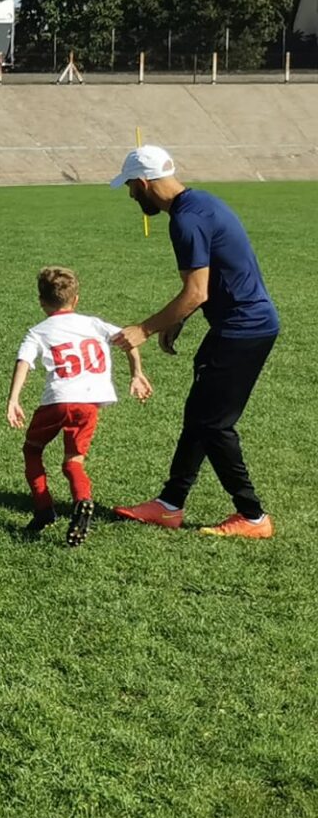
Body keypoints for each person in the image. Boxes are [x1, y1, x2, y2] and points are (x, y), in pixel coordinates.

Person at [107, 145, 280, 538]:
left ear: (144, 182)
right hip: (242, 326)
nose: (132, 195)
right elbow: (208, 284)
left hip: (243, 329)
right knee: (199, 415)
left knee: (214, 424)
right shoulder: (200, 202)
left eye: (132, 187)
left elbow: (196, 292)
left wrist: (144, 329)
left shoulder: (185, 221)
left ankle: (253, 517)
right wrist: (179, 319)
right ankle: (169, 505)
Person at [5, 266, 152, 546]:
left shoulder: (37, 332)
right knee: (73, 461)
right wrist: (137, 373)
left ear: (41, 301)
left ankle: (44, 509)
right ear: (76, 299)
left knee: (32, 449)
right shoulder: (94, 323)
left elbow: (23, 362)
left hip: (57, 401)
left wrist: (14, 399)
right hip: (89, 403)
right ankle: (83, 500)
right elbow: (129, 341)